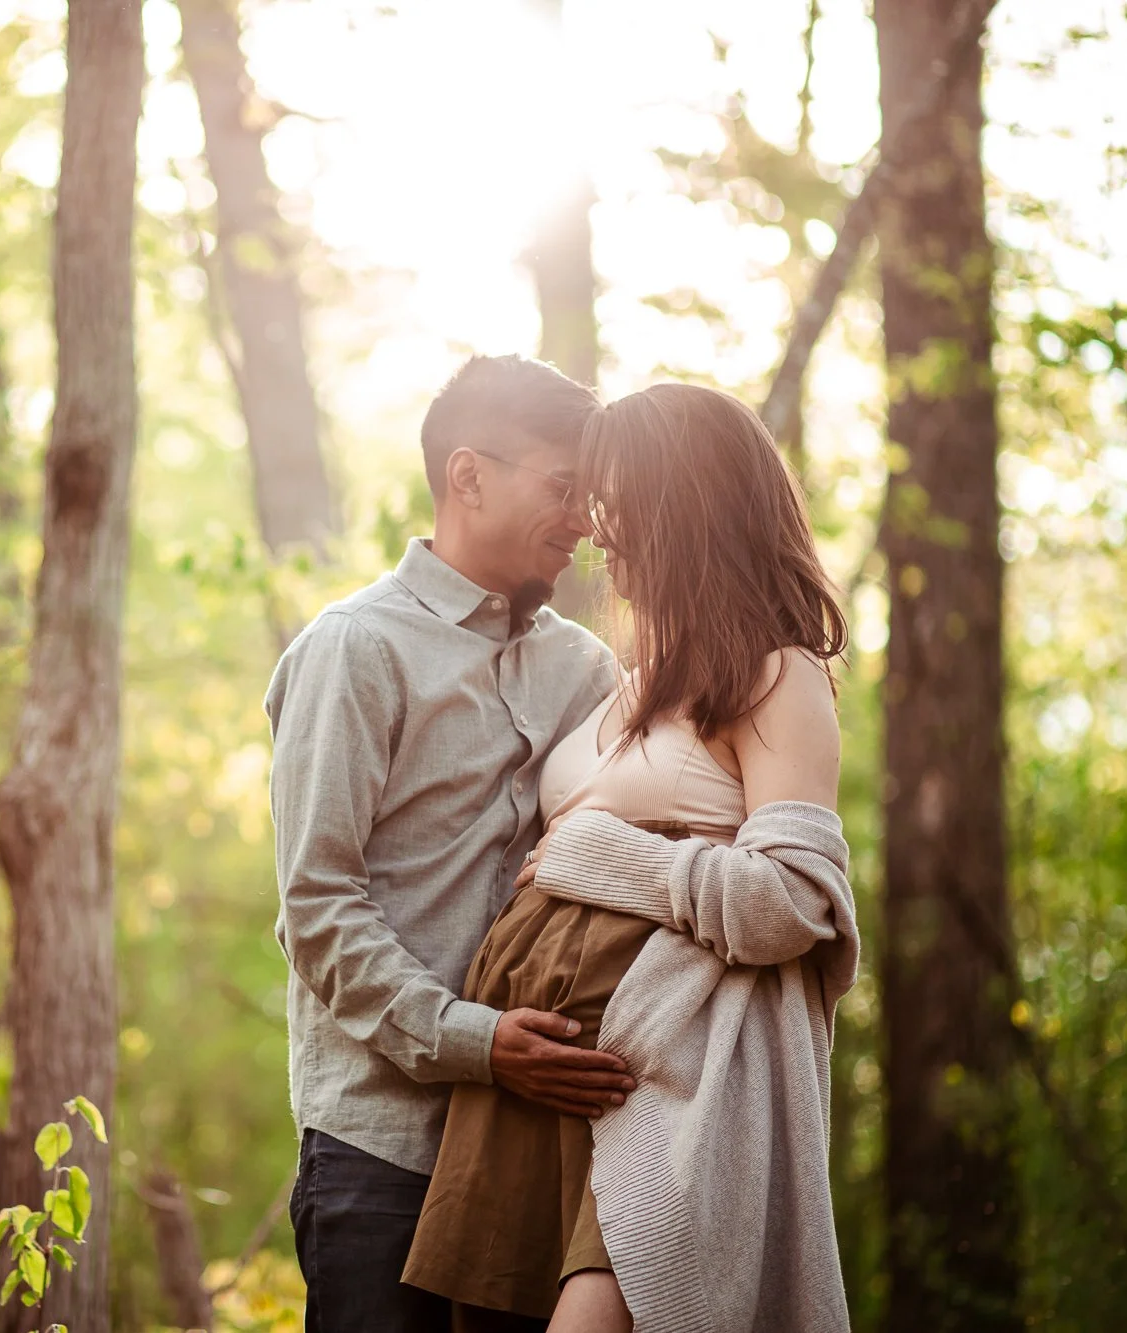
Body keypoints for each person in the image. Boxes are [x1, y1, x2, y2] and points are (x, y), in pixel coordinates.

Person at [402, 383, 859, 1333]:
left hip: (664, 1078)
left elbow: (793, 900)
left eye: (617, 503)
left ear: (684, 509)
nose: (596, 531)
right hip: (529, 1086)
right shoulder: (623, 686)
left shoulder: (777, 674)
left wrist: (598, 855)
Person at [266, 355, 641, 1333]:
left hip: (527, 1149)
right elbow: (317, 909)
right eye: (562, 487)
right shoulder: (354, 648)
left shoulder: (588, 670)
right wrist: (479, 1042)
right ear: (467, 476)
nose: (582, 520)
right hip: (380, 1152)